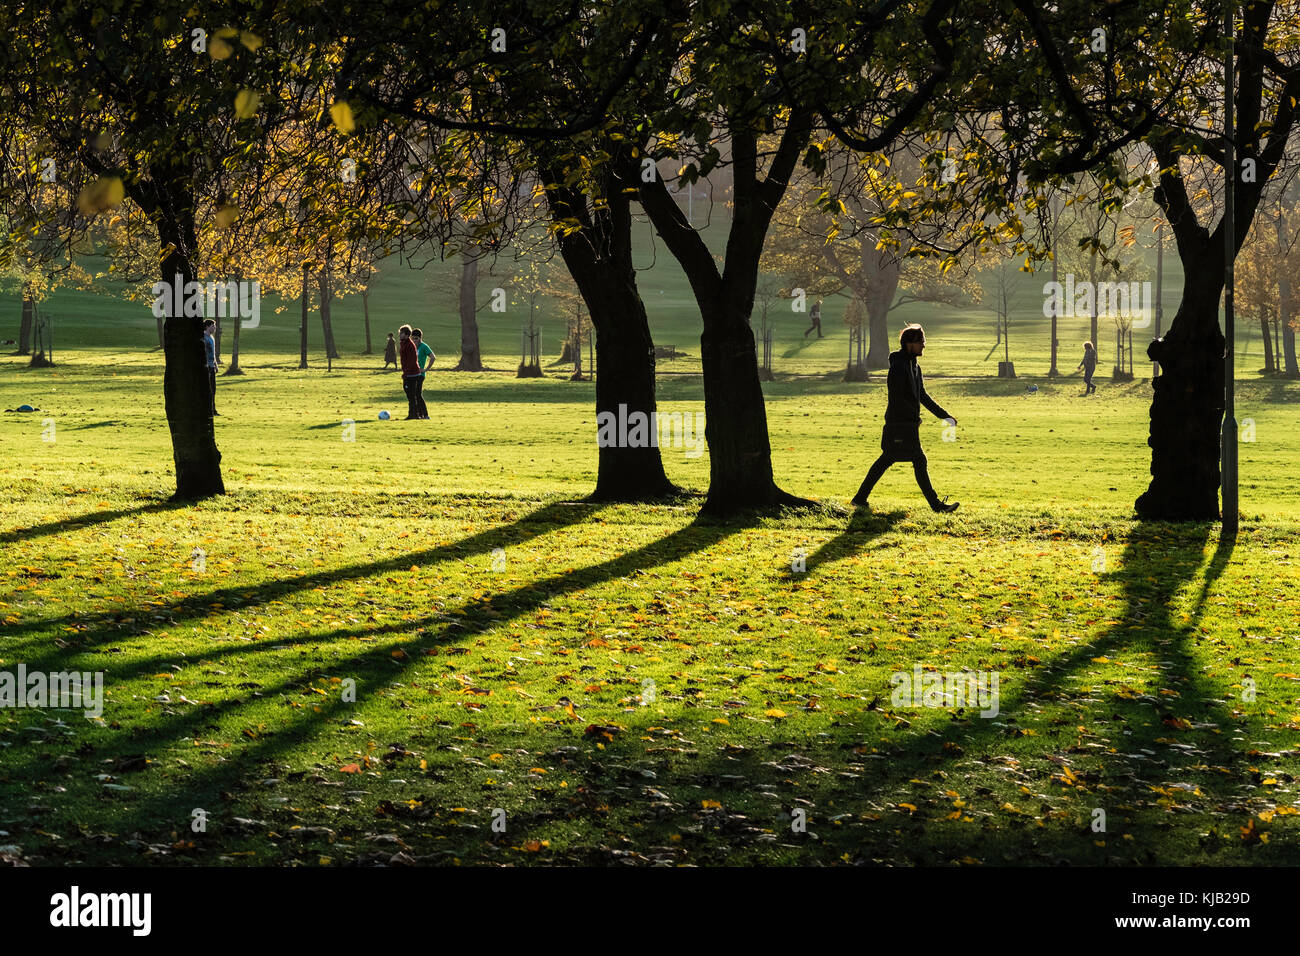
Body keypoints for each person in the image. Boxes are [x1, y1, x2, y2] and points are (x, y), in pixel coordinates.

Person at [851, 324, 959, 512]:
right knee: (915, 460)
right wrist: (912, 418)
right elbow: (897, 397)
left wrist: (945, 416)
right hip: (899, 424)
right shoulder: (899, 366)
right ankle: (936, 506)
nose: (924, 345)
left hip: (906, 424)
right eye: (921, 342)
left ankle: (860, 498)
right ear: (909, 344)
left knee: (890, 459)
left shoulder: (915, 366)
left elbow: (922, 395)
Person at [398, 325, 422, 419]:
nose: (400, 335)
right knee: (410, 394)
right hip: (409, 372)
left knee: (411, 395)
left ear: (407, 335)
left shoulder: (409, 345)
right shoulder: (404, 343)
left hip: (412, 373)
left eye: (402, 333)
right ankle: (414, 414)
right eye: (400, 333)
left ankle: (413, 415)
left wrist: (406, 373)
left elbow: (412, 361)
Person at [412, 328, 435, 420]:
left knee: (418, 394)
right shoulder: (412, 346)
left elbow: (433, 357)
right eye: (413, 338)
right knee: (414, 395)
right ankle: (419, 414)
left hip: (420, 375)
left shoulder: (424, 346)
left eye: (416, 338)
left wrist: (426, 369)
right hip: (412, 374)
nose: (414, 340)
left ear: (420, 338)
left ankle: (425, 414)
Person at [203, 319, 219, 416]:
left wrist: (216, 364)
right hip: (207, 367)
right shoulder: (204, 338)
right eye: (213, 326)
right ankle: (209, 410)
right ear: (207, 327)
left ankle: (213, 410)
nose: (215, 328)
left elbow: (212, 354)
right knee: (209, 389)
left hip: (212, 366)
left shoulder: (211, 338)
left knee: (213, 389)